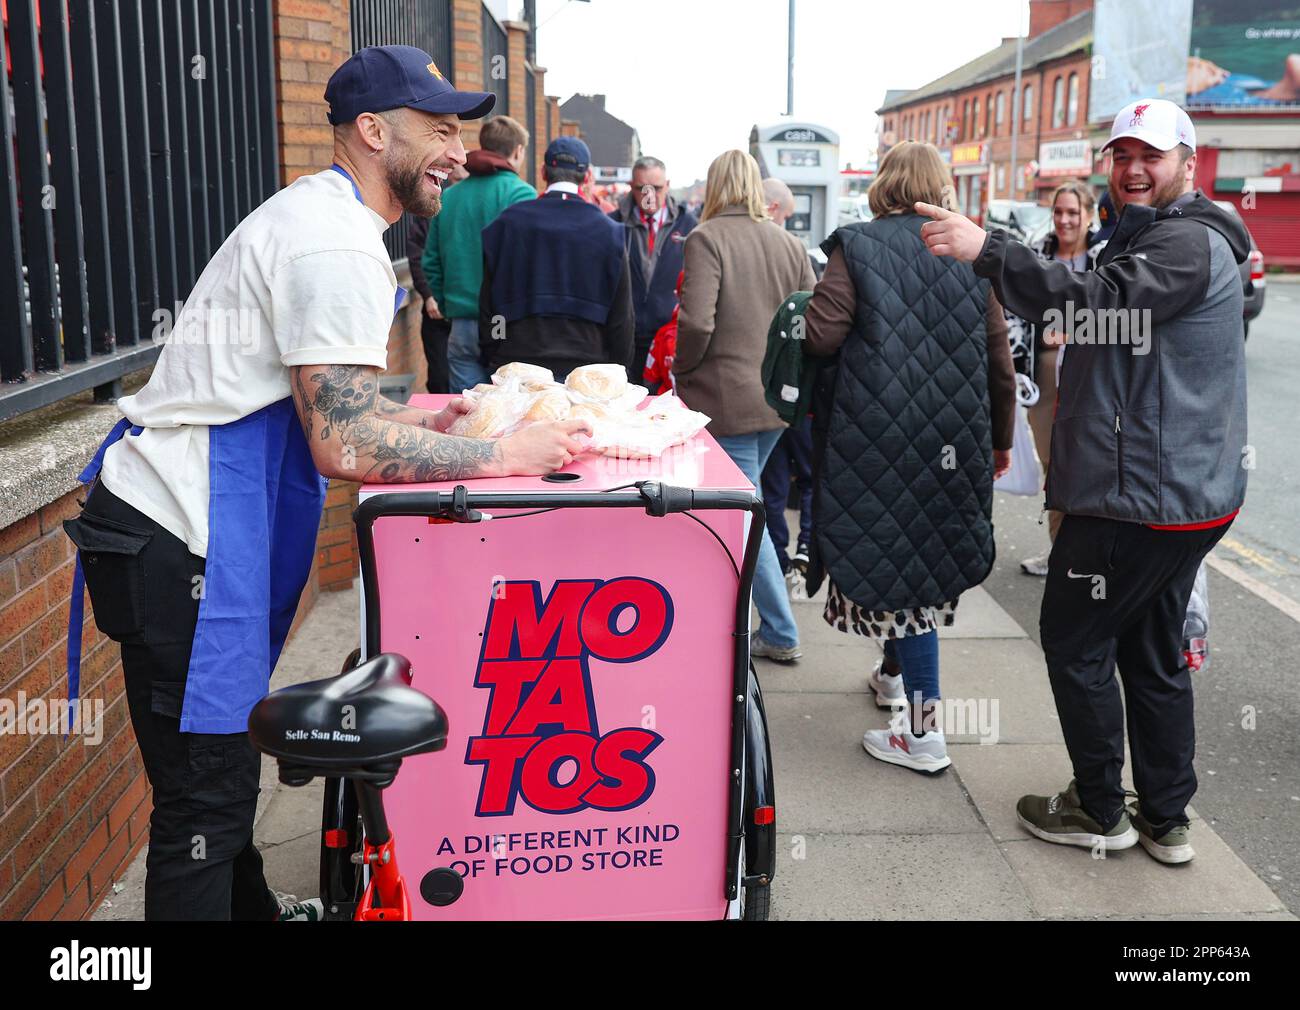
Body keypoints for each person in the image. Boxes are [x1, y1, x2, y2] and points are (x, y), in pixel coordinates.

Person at [61, 45, 590, 921]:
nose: (457, 150)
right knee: (205, 795)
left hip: (183, 532)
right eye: (440, 130)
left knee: (216, 778)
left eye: (460, 130)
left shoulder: (331, 220)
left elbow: (311, 393)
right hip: (177, 537)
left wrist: (425, 421)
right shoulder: (333, 243)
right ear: (375, 133)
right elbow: (340, 440)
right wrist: (504, 457)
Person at [917, 98, 1249, 862]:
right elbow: (1117, 327)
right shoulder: (1158, 237)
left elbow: (1102, 305)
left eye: (1152, 157)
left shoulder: (1185, 244)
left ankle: (1102, 810)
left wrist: (990, 252)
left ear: (1188, 164)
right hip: (1176, 494)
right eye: (1121, 154)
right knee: (1153, 651)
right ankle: (1167, 818)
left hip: (1140, 500)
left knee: (1073, 640)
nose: (1134, 169)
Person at [801, 141, 1015, 772]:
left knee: (905, 576)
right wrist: (1001, 442)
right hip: (953, 436)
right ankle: (893, 678)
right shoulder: (970, 249)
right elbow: (999, 361)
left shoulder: (857, 245)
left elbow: (821, 334)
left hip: (877, 438)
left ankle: (923, 736)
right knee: (915, 558)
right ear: (940, 186)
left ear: (885, 182)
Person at [673, 150, 816, 662]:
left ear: (715, 185)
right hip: (775, 403)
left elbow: (695, 323)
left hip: (724, 398)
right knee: (747, 506)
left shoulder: (706, 238)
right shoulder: (787, 241)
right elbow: (811, 318)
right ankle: (769, 624)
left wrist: (682, 371)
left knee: (743, 514)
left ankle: (778, 630)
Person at [479, 137, 634, 380]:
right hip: (588, 368)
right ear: (587, 176)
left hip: (517, 361)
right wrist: (618, 367)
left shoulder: (506, 225)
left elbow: (491, 306)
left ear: (543, 172)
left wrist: (496, 351)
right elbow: (621, 315)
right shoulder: (610, 231)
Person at [1014, 181, 1105, 576]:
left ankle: (1087, 556)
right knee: (1055, 468)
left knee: (1087, 467)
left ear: (1089, 216)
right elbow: (1015, 311)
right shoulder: (1038, 254)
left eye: (1073, 212)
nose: (1065, 220)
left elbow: (1118, 318)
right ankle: (1059, 553)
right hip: (1046, 381)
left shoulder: (1106, 259)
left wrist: (1076, 329)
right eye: (1059, 212)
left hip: (1092, 384)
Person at [421, 114, 536, 392]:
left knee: (467, 414)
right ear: (518, 151)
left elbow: (431, 262)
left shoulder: (449, 197)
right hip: (507, 324)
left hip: (461, 322)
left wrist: (450, 308)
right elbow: (529, 265)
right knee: (509, 411)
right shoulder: (522, 195)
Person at [758, 176, 814, 586]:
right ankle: (806, 552)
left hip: (763, 392)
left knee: (773, 486)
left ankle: (776, 560)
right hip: (799, 388)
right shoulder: (793, 250)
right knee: (810, 475)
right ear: (775, 208)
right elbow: (817, 312)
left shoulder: (736, 244)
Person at [609, 156, 697, 392]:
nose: (649, 195)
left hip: (669, 343)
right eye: (641, 188)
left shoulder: (690, 227)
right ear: (631, 187)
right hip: (623, 338)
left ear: (667, 185)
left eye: (656, 188)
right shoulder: (612, 225)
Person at [406, 161, 466, 393]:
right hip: (437, 311)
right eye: (457, 181)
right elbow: (417, 254)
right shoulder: (434, 208)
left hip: (465, 310)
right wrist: (429, 295)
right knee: (441, 377)